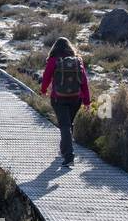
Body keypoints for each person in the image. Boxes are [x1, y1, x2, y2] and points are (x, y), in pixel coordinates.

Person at [39, 37, 91, 168]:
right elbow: (84, 81)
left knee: (65, 125)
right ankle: (64, 150)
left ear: (55, 48)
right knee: (68, 124)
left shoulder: (53, 60)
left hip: (58, 98)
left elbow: (46, 76)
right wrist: (86, 101)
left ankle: (69, 156)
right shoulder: (77, 60)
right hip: (76, 98)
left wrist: (43, 90)